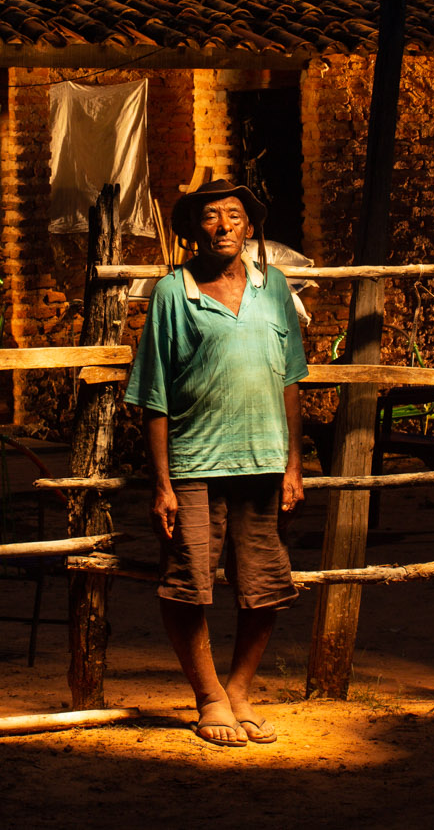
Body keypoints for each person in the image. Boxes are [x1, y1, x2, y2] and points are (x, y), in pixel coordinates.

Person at [125, 179, 308, 747]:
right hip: (195, 462)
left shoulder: (272, 287)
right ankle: (208, 698)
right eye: (211, 216)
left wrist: (294, 464)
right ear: (191, 231)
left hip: (262, 461)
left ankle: (240, 692)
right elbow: (152, 393)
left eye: (235, 215)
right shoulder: (172, 294)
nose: (225, 224)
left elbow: (291, 380)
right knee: (188, 584)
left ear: (250, 228)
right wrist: (162, 484)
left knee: (265, 583)